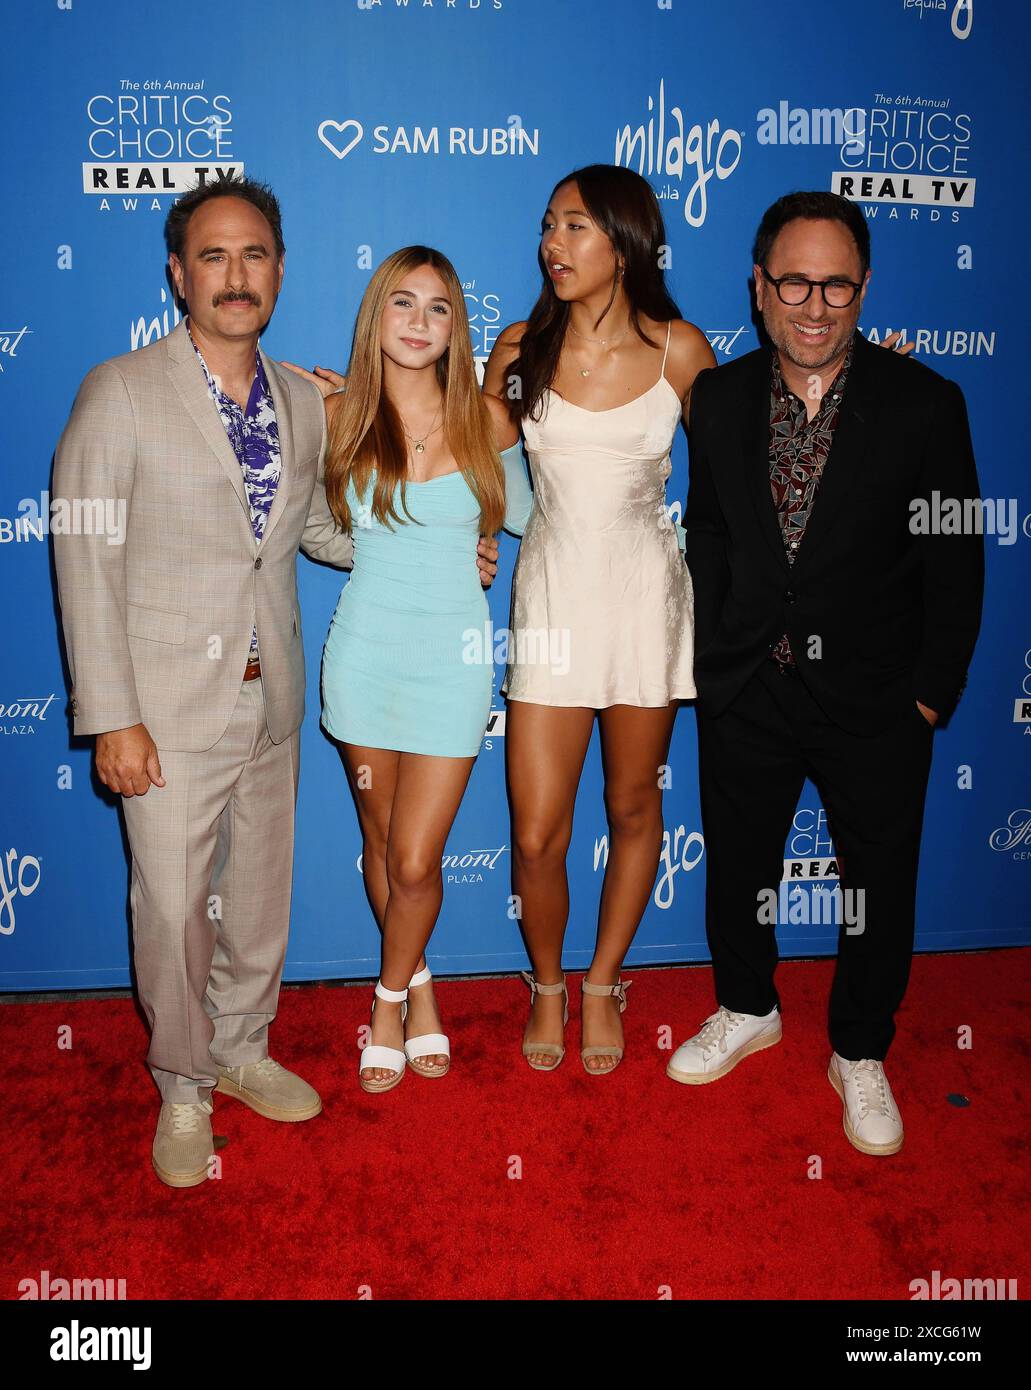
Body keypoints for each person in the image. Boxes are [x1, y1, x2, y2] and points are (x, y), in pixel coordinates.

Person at [52, 178, 499, 1186]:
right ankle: (182, 1082)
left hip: (278, 694)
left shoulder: (304, 399)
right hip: (161, 711)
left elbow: (316, 531)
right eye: (212, 256)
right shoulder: (118, 388)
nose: (234, 275)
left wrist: (432, 546)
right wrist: (111, 716)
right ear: (178, 273)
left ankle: (243, 1047)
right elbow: (83, 557)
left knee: (256, 897)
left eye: (253, 255)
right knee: (170, 908)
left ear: (281, 269)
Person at [670, 191, 984, 1156]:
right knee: (740, 865)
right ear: (759, 288)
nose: (814, 304)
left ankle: (858, 1048)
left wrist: (931, 689)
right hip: (748, 686)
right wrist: (717, 650)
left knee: (878, 881)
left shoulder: (925, 403)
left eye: (835, 283)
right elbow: (712, 531)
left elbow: (956, 551)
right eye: (793, 282)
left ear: (863, 287)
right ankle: (747, 1005)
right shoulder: (717, 399)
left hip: (878, 696)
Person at [483, 164, 714, 1074]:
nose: (552, 244)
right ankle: (546, 982)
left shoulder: (677, 350)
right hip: (549, 604)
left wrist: (859, 386)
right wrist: (366, 407)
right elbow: (465, 450)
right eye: (547, 226)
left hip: (643, 606)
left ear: (624, 244)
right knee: (536, 829)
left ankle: (605, 980)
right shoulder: (516, 350)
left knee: (631, 805)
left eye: (574, 227)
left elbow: (755, 451)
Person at [283, 247, 532, 1092]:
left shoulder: (492, 422)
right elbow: (309, 528)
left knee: (417, 861)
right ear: (375, 317)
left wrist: (484, 540)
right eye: (403, 303)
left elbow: (554, 515)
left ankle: (385, 998)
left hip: (454, 665)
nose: (420, 322)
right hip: (362, 661)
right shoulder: (336, 413)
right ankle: (420, 989)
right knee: (380, 847)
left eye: (439, 308)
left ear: (457, 327)